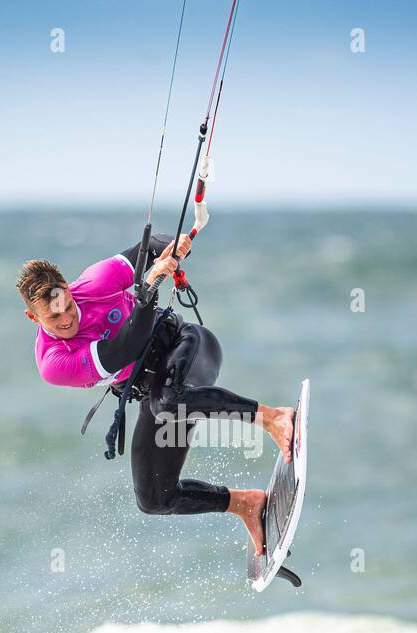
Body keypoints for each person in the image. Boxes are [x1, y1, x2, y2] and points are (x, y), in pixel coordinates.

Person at [17, 231, 294, 556]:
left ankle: (273, 417)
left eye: (68, 305)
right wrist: (148, 287)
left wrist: (173, 249)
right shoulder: (54, 362)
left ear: (68, 289)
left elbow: (146, 247)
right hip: (157, 392)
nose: (68, 319)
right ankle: (245, 503)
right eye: (54, 317)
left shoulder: (96, 282)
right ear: (33, 318)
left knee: (169, 400)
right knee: (154, 498)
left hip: (188, 346)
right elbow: (125, 350)